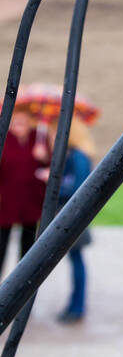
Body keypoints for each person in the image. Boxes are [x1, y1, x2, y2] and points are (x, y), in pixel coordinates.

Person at [55, 116, 95, 324]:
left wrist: (53, 184)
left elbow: (79, 188)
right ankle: (74, 304)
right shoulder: (71, 155)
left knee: (77, 260)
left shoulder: (79, 156)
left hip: (75, 217)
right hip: (71, 215)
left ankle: (77, 306)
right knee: (75, 260)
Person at [0, 114, 48, 274]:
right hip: (7, 200)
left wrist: (44, 156)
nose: (19, 126)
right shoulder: (4, 139)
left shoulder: (38, 138)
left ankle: (23, 279)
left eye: (23, 123)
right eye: (16, 123)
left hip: (31, 200)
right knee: (2, 243)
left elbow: (49, 168)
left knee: (27, 242)